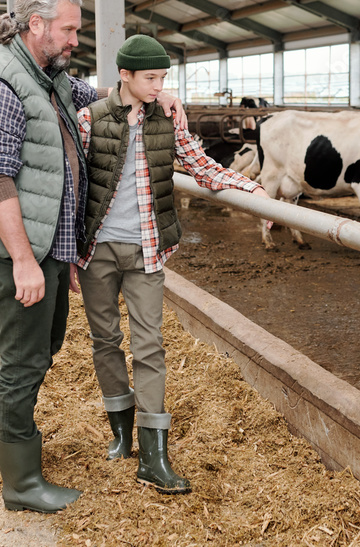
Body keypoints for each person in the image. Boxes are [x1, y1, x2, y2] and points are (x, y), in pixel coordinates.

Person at [0, 0, 185, 513]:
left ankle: (23, 461)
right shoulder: (1, 84)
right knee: (22, 360)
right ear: (36, 24)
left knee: (43, 349)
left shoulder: (50, 77)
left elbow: (102, 96)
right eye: (68, 30)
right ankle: (20, 482)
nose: (75, 40)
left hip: (52, 246)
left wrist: (155, 93)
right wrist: (23, 262)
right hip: (25, 250)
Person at [74, 34, 269, 494]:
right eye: (151, 78)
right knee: (105, 340)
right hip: (96, 249)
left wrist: (251, 188)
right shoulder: (89, 120)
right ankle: (121, 434)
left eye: (163, 78)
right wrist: (65, 254)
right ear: (124, 75)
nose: (159, 86)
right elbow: (73, 187)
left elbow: (201, 166)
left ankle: (154, 455)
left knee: (150, 346)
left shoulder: (167, 118)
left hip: (147, 248)